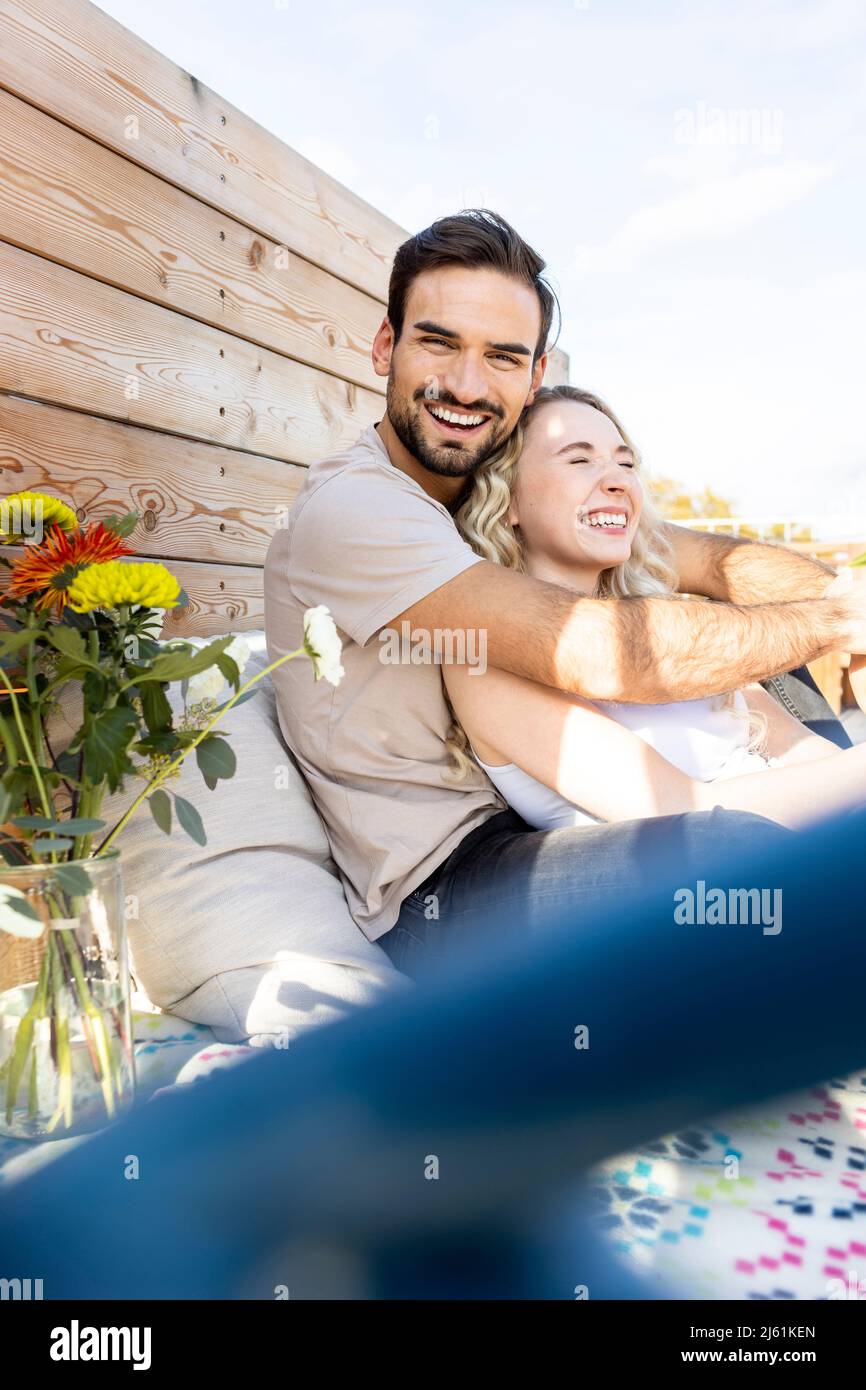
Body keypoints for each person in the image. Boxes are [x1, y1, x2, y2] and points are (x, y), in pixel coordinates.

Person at [263, 209, 866, 976]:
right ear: (387, 345)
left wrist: (843, 614)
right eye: (438, 341)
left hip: (547, 817)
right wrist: (835, 620)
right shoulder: (357, 508)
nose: (467, 384)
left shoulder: (491, 487)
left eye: (504, 357)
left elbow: (712, 559)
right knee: (731, 849)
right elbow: (599, 651)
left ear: (534, 374)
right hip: (450, 882)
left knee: (756, 637)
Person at [442, 383, 866, 835]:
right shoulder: (485, 658)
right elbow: (690, 811)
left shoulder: (668, 627)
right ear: (507, 501)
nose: (619, 480)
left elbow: (803, 752)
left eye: (625, 463)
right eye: (579, 459)